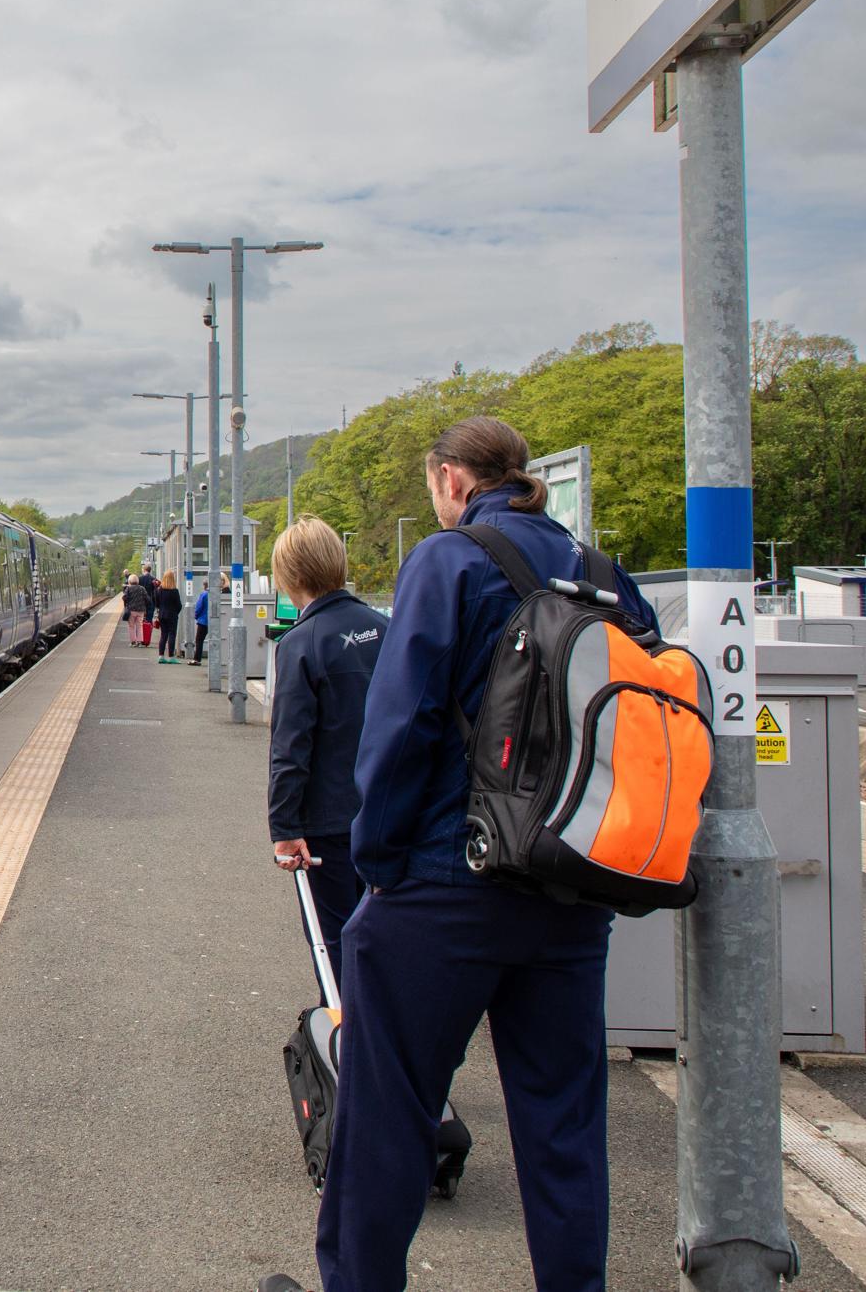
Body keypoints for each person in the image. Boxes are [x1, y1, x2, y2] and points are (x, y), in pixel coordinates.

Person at [260, 416, 654, 1292]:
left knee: (387, 1115)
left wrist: (380, 867)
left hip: (444, 886)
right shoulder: (605, 576)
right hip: (570, 890)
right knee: (563, 1125)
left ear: (449, 479)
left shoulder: (450, 560)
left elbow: (400, 733)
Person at [262, 517, 384, 995]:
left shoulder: (300, 644)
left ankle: (346, 1044)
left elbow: (290, 747)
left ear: (287, 577)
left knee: (335, 941)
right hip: (388, 813)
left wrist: (285, 829)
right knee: (383, 934)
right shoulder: (384, 628)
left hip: (328, 826)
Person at [151, 571, 185, 662]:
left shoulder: (159, 590)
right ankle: (171, 657)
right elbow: (179, 605)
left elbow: (156, 604)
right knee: (172, 635)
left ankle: (161, 656)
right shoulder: (174, 591)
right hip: (172, 615)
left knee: (163, 635)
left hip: (162, 615)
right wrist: (175, 612)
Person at [122, 576, 150, 648]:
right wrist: (144, 605)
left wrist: (127, 603)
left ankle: (133, 642)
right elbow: (147, 599)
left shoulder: (128, 588)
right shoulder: (142, 588)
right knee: (140, 626)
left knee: (131, 626)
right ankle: (140, 642)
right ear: (137, 581)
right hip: (141, 611)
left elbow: (124, 598)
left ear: (129, 581)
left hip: (131, 610)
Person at [189, 575, 211, 663]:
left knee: (199, 640)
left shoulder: (204, 594)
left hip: (203, 621)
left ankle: (197, 659)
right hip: (212, 621)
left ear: (204, 586)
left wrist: (196, 615)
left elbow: (199, 607)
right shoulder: (214, 594)